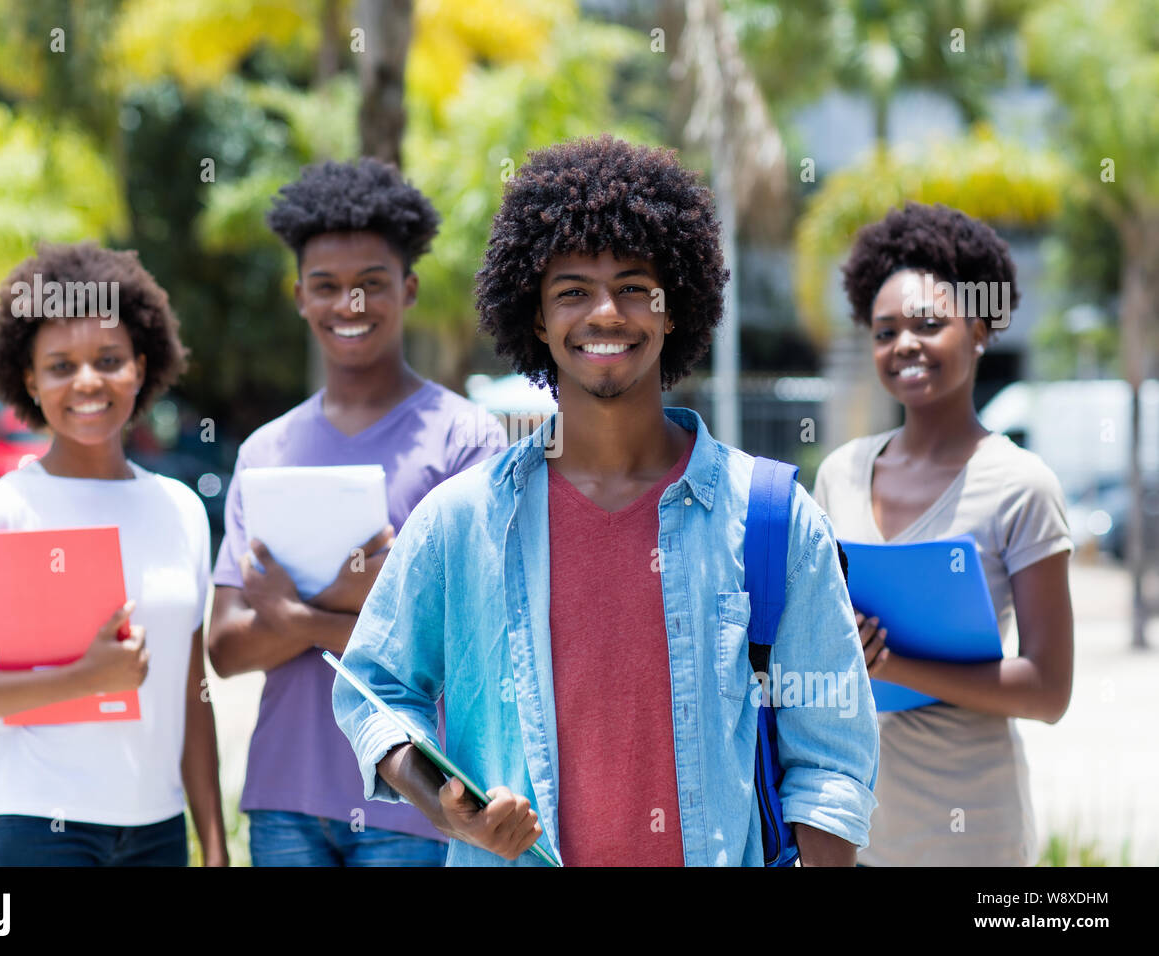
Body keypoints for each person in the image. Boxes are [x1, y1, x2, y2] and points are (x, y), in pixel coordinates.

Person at [331, 135, 879, 867]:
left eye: (632, 286)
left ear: (675, 306)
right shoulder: (461, 522)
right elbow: (374, 690)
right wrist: (451, 813)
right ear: (535, 318)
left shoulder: (774, 518)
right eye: (572, 292)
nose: (606, 313)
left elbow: (831, 762)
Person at [206, 158, 507, 867]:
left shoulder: (466, 440)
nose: (351, 305)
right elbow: (225, 649)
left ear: (407, 289)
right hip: (286, 799)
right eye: (328, 287)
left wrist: (301, 615)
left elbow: (465, 639)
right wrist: (367, 595)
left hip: (418, 799)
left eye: (372, 284)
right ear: (300, 298)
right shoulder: (265, 449)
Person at [0, 241, 227, 866]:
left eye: (109, 359)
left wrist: (213, 844)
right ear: (29, 379)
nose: (87, 381)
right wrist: (81, 680)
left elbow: (193, 694)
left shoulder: (182, 509)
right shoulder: (1, 511)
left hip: (157, 836)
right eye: (60, 365)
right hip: (29, 830)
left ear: (141, 364)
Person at [814, 202, 1075, 866]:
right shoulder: (841, 473)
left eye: (930, 324)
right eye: (884, 331)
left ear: (981, 331)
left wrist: (892, 665)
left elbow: (1048, 690)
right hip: (855, 829)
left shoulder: (1020, 484)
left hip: (974, 836)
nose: (904, 344)